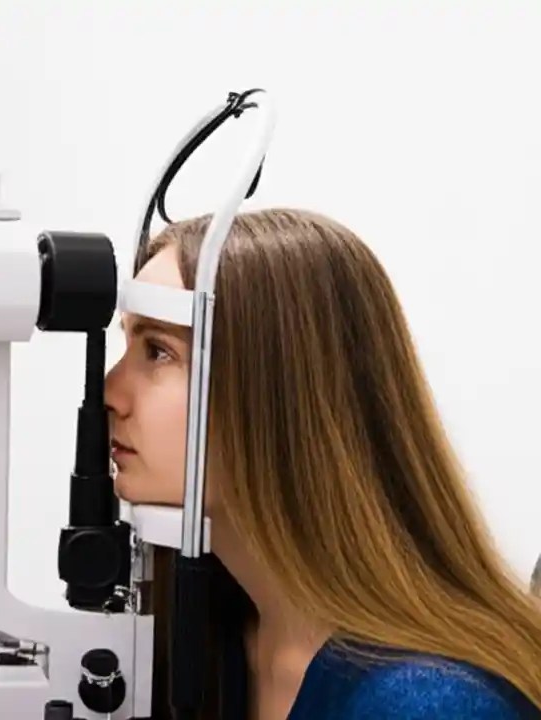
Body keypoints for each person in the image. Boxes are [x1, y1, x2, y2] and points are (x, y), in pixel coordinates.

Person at [104, 208, 541, 718]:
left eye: (158, 351)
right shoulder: (217, 646)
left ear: (280, 394)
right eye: (128, 342)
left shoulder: (426, 706)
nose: (110, 391)